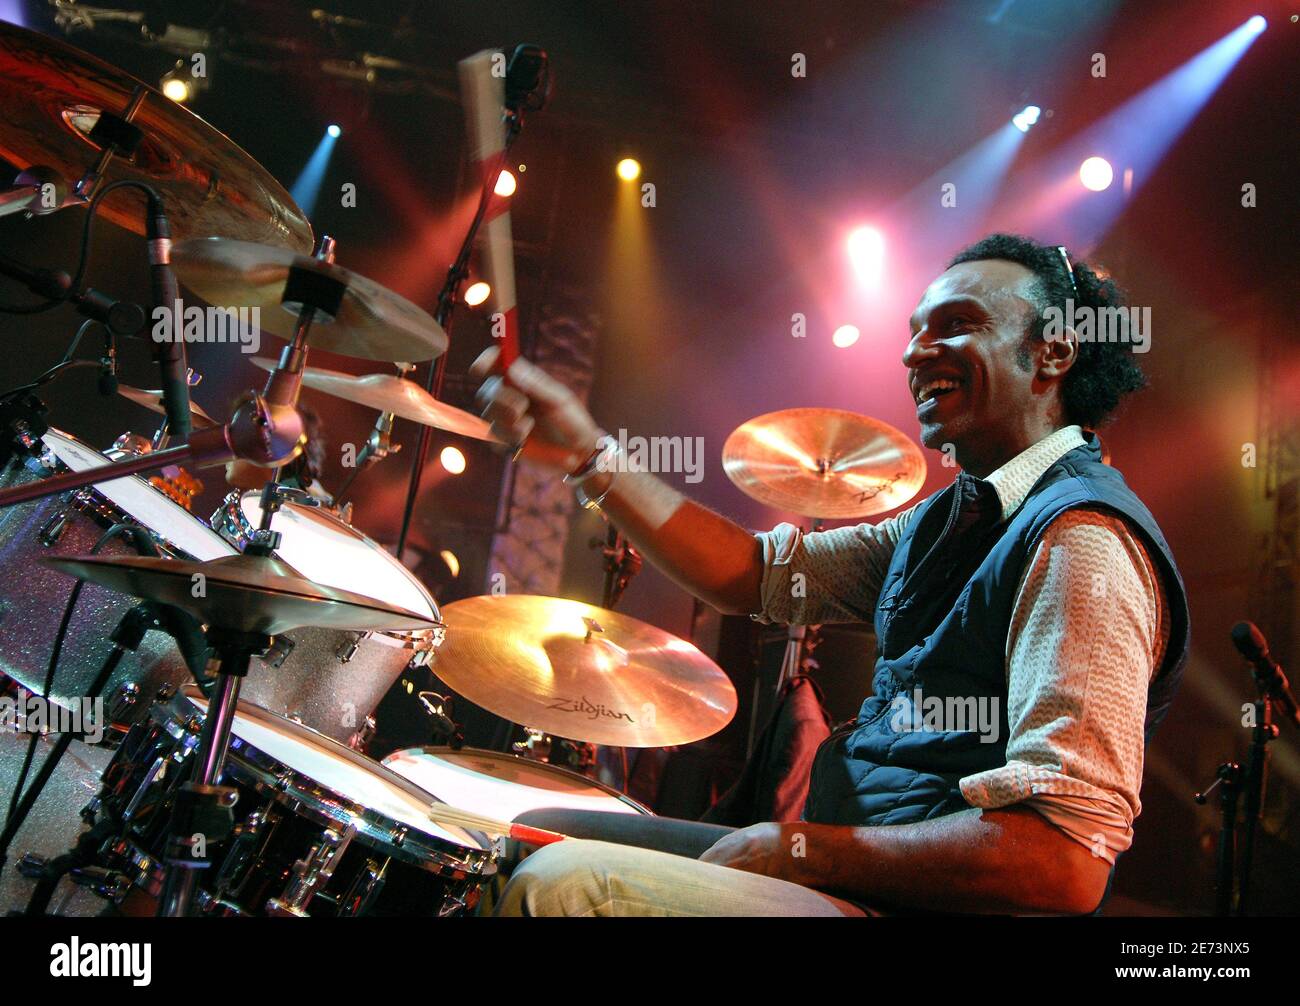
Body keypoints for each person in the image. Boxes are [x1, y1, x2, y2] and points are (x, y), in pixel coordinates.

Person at [472, 233, 1189, 916]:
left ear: (1053, 351)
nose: (915, 351)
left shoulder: (1083, 541)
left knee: (560, 888)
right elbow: (755, 575)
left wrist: (806, 851)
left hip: (916, 908)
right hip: (859, 876)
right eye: (914, 330)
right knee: (527, 832)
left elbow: (1066, 859)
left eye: (957, 324)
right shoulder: (951, 518)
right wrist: (587, 458)